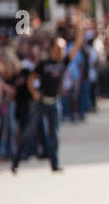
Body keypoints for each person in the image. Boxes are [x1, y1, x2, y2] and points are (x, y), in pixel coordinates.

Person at [12, 18, 86, 174]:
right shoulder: (44, 64)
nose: (61, 51)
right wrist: (34, 93)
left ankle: (55, 163)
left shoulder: (63, 63)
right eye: (59, 48)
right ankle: (16, 160)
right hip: (41, 102)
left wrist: (80, 28)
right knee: (29, 131)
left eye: (63, 48)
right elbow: (31, 79)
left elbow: (77, 45)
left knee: (55, 134)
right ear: (52, 49)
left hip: (55, 102)